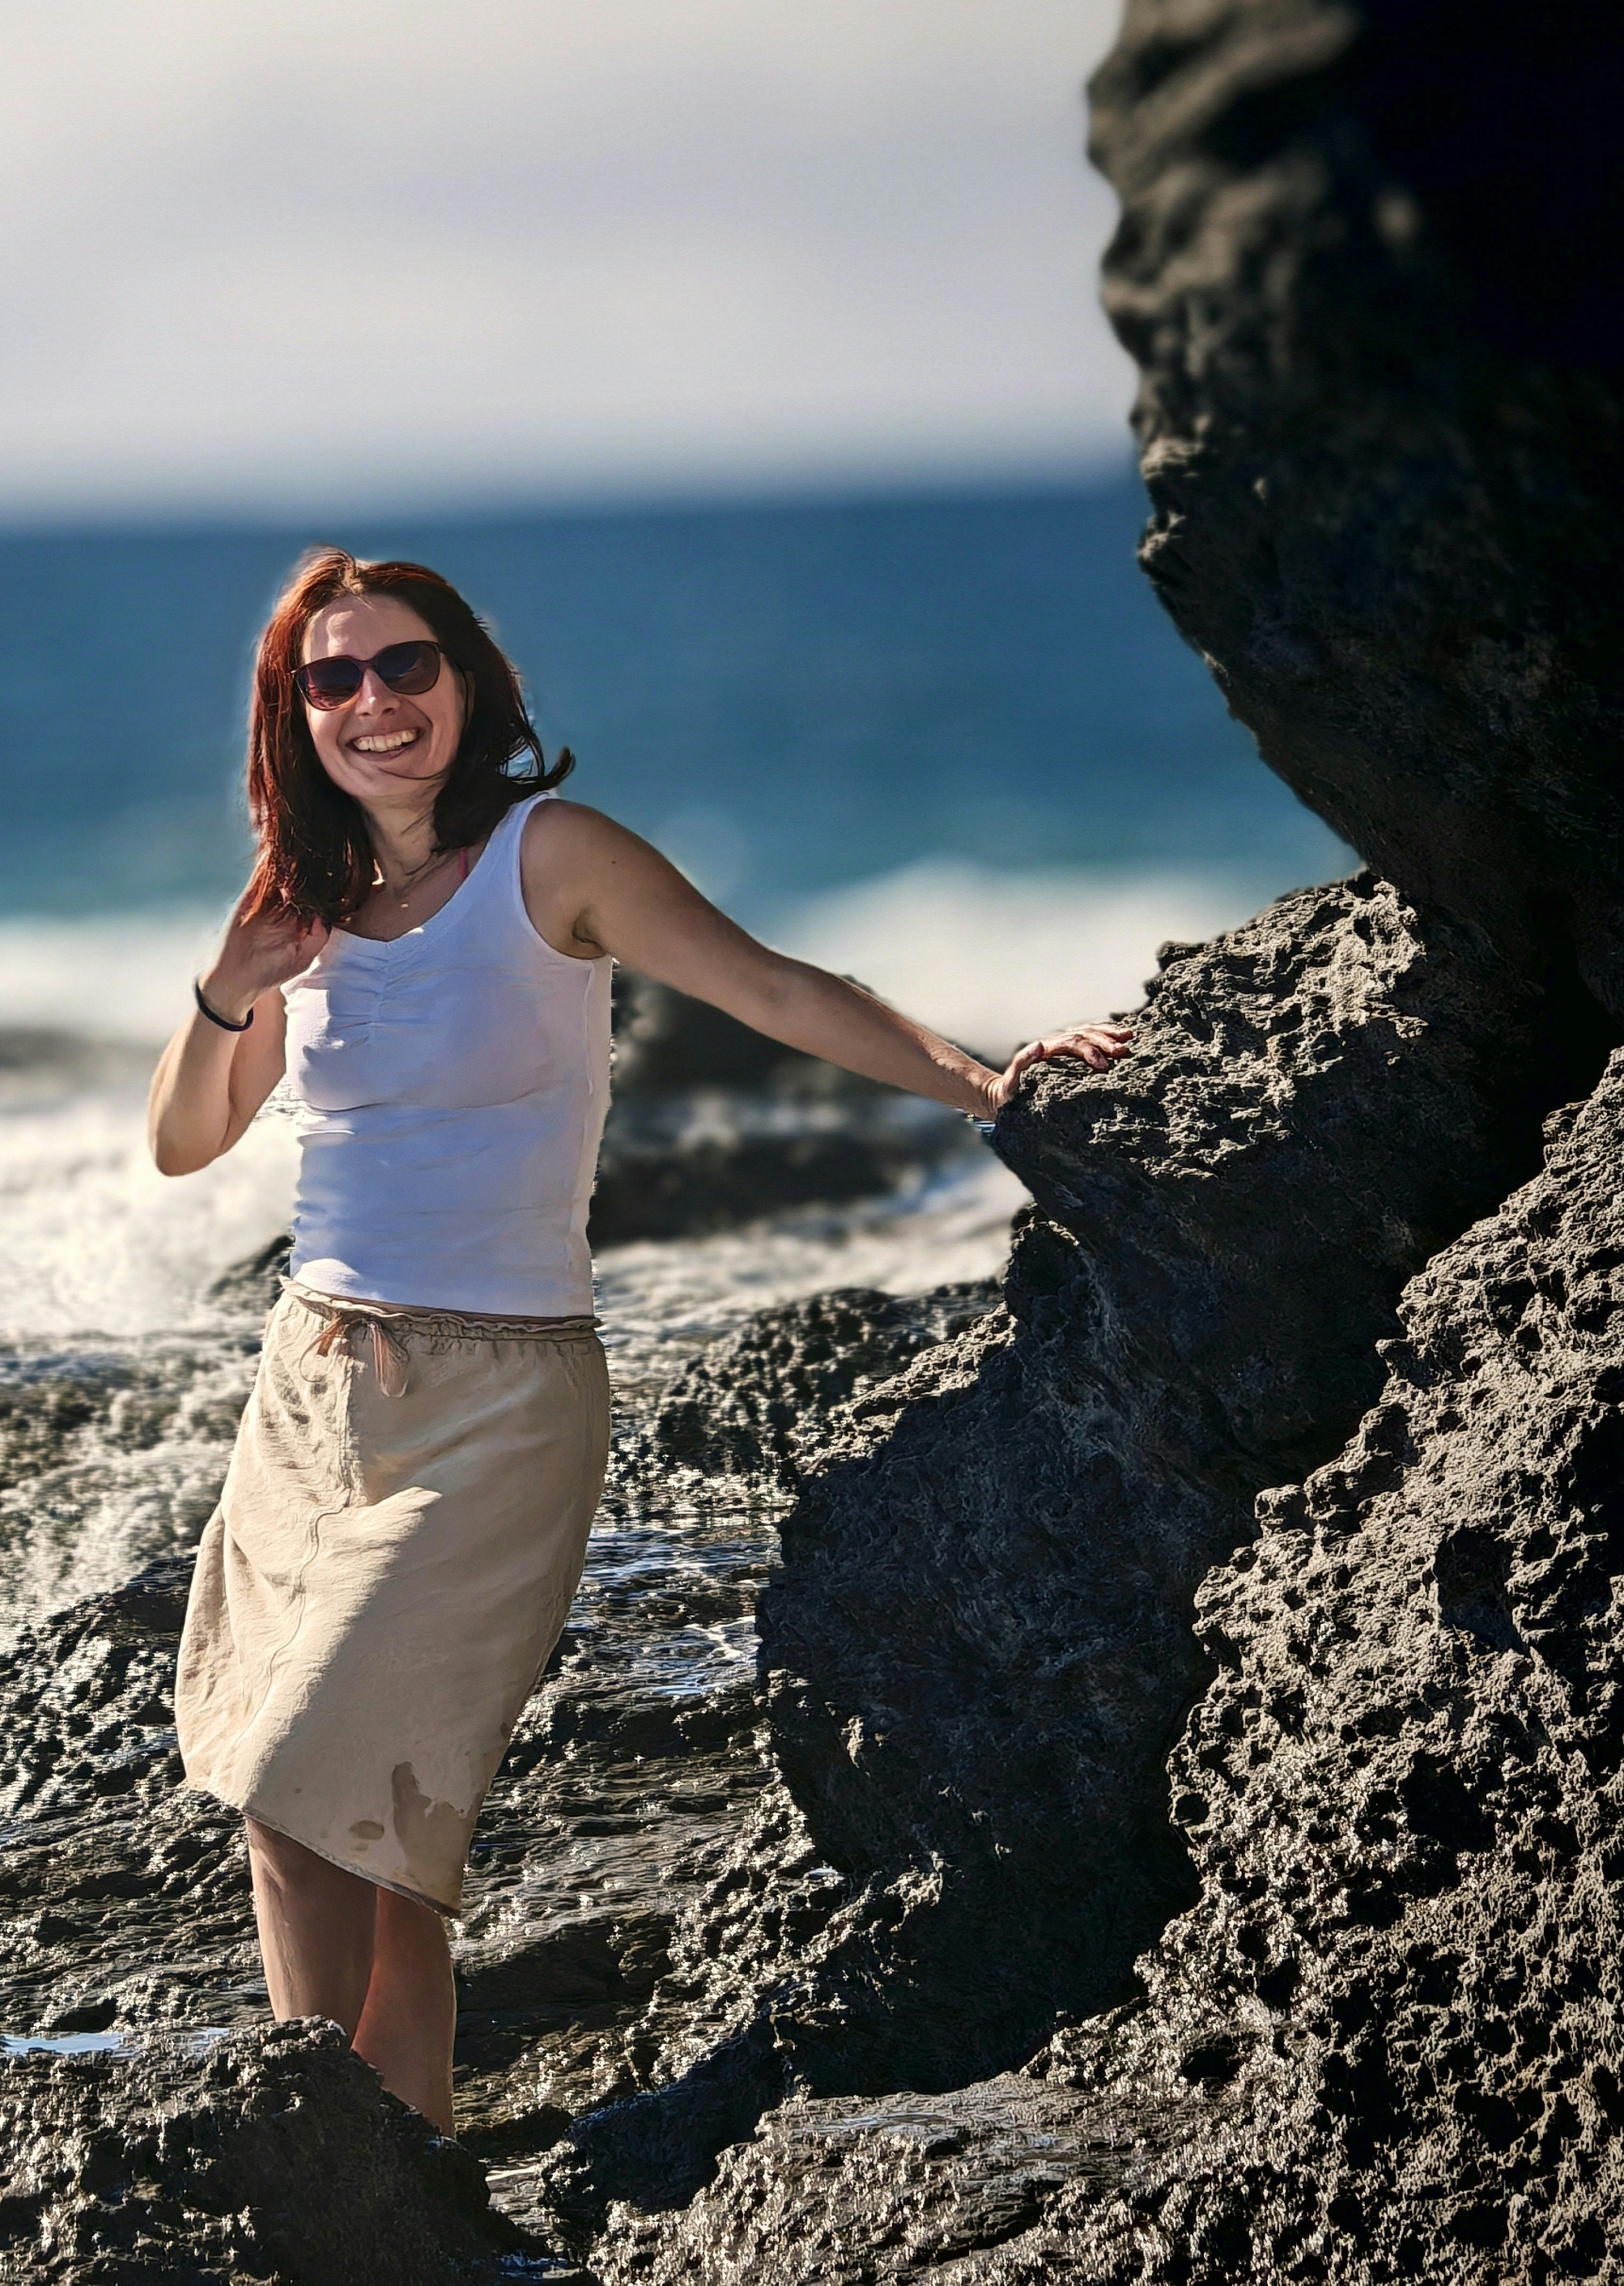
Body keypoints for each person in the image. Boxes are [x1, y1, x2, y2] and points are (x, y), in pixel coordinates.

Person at [146, 549, 1129, 2135]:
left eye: (407, 667)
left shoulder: (555, 857)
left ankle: (308, 2152)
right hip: (310, 1392)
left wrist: (996, 1082)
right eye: (334, 679)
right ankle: (398, 2177)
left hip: (498, 1403)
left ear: (470, 685)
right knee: (372, 1845)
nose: (376, 704)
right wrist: (223, 989)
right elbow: (189, 1142)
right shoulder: (295, 910)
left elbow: (773, 989)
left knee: (305, 1802)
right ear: (294, 712)